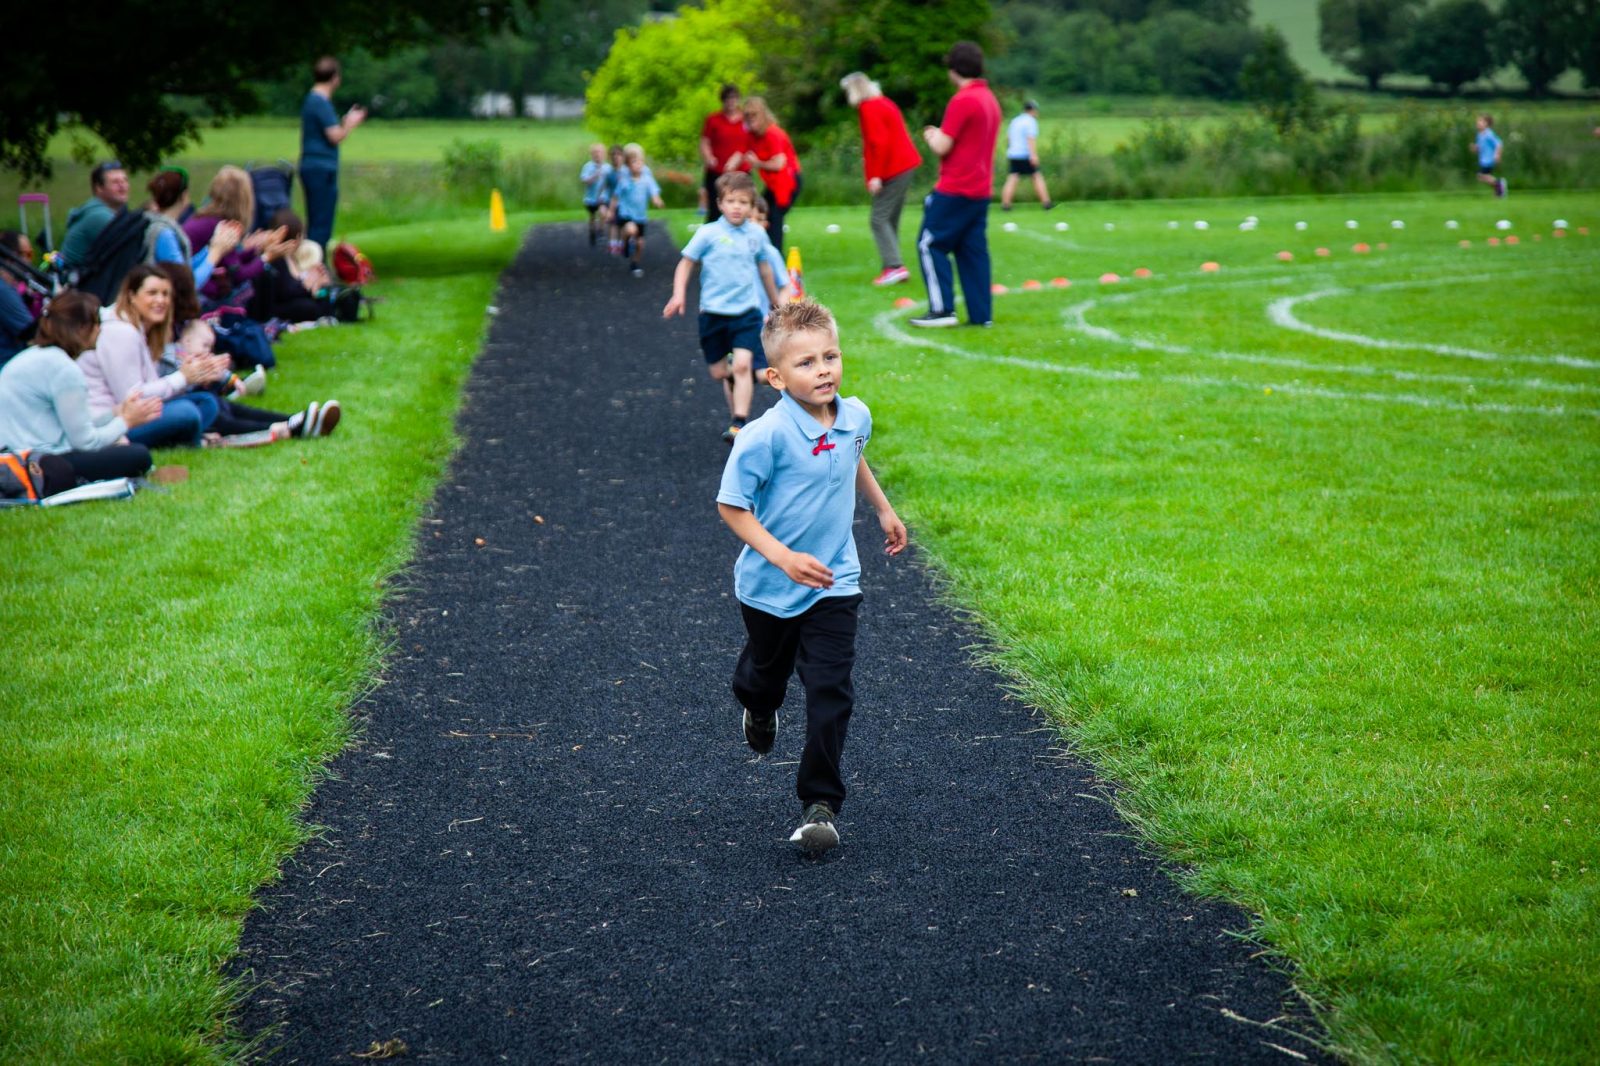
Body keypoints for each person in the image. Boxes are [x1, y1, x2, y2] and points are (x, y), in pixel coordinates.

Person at [714, 298, 907, 854]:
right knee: (765, 677)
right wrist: (783, 558)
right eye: (806, 363)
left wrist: (883, 509)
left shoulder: (855, 415)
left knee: (830, 689)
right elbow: (731, 506)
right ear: (775, 377)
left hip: (834, 578)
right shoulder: (764, 436)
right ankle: (758, 704)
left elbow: (852, 455)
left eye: (830, 356)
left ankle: (820, 805)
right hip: (770, 586)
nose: (823, 370)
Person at [0, 290, 159, 494]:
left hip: (14, 458)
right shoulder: (64, 368)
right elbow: (86, 443)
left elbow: (76, 426)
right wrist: (126, 421)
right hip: (39, 465)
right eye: (97, 323)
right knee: (138, 455)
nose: (101, 330)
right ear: (83, 328)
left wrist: (116, 413)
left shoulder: (34, 356)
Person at [663, 172, 782, 443]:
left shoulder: (756, 234)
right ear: (719, 203)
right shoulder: (708, 233)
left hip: (746, 313)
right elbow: (686, 263)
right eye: (731, 201)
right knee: (719, 372)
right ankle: (736, 379)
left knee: (742, 365)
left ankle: (739, 422)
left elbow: (765, 269)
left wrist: (775, 302)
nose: (737, 207)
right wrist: (678, 294)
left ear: (751, 206)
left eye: (743, 202)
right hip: (713, 314)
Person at [77, 264, 224, 448]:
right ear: (132, 296)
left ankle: (187, 437)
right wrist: (182, 377)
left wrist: (193, 375)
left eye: (165, 294)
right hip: (110, 422)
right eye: (152, 293)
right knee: (187, 412)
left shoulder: (141, 329)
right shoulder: (120, 332)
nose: (160, 300)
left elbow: (152, 388)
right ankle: (191, 439)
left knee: (206, 402)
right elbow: (132, 397)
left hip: (133, 414)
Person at [911, 41, 1002, 329]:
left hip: (956, 186)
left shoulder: (963, 100)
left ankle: (942, 310)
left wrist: (930, 134)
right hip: (981, 189)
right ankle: (981, 315)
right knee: (972, 251)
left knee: (929, 243)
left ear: (953, 68)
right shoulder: (989, 99)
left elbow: (943, 145)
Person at [840, 72, 922, 286]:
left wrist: (875, 175)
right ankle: (891, 267)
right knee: (889, 218)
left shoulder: (868, 107)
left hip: (894, 167)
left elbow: (878, 143)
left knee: (878, 219)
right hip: (903, 165)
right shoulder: (883, 102)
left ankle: (895, 267)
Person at [183, 166, 294, 307]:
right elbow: (238, 275)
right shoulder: (222, 226)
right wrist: (267, 257)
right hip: (198, 294)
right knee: (250, 285)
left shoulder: (207, 219)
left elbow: (230, 261)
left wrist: (257, 249)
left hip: (193, 286)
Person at [300, 56, 368, 250]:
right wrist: (350, 123)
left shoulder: (313, 100)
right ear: (335, 78)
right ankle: (317, 262)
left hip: (314, 166)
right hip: (321, 168)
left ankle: (315, 260)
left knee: (317, 220)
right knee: (321, 223)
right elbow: (335, 136)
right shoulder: (320, 101)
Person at [143, 168, 242, 291]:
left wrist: (212, 247)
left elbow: (185, 267)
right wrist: (215, 252)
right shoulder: (163, 233)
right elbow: (187, 284)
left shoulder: (154, 224)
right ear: (184, 196)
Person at [739, 97, 802, 254]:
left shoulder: (773, 134)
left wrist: (757, 163)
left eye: (754, 115)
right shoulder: (753, 135)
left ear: (762, 115)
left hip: (787, 183)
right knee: (759, 211)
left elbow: (779, 163)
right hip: (773, 184)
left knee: (774, 218)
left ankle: (774, 257)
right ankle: (760, 251)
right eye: (747, 116)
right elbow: (743, 152)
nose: (750, 119)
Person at [59, 161, 131, 269]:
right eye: (115, 182)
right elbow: (130, 250)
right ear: (99, 188)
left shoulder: (102, 210)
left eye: (125, 180)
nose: (123, 186)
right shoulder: (98, 216)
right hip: (75, 278)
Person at [701, 84, 750, 226]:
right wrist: (709, 157)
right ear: (723, 101)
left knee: (742, 206)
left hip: (741, 171)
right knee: (716, 209)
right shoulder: (713, 120)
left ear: (738, 99)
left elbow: (751, 143)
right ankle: (712, 237)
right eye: (728, 98)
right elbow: (705, 141)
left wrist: (740, 156)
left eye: (734, 98)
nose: (731, 102)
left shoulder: (745, 120)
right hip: (718, 171)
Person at [612, 144, 664, 278]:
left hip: (640, 216)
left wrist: (657, 200)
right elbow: (616, 196)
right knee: (631, 229)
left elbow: (654, 192)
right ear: (628, 165)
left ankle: (635, 263)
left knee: (640, 243)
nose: (638, 164)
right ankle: (624, 243)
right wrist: (611, 211)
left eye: (640, 161)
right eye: (634, 162)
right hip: (626, 214)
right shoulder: (624, 180)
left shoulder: (647, 179)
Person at [1000, 100, 1054, 211]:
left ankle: (1006, 204)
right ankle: (1046, 203)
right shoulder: (1030, 122)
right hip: (1025, 154)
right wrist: (1033, 155)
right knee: (1037, 176)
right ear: (1033, 110)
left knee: (1012, 178)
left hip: (1013, 153)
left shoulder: (1015, 121)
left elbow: (1008, 138)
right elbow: (1030, 139)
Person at [0, 231, 39, 364]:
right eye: (27, 254)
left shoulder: (9, 288)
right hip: (7, 363)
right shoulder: (3, 290)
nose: (30, 260)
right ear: (10, 258)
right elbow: (32, 333)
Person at [580, 144, 612, 246]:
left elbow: (611, 181)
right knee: (592, 217)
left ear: (604, 155)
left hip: (603, 197)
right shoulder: (587, 166)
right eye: (595, 153)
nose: (598, 155)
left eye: (600, 153)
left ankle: (601, 231)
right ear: (592, 155)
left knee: (603, 212)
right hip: (591, 197)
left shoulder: (608, 167)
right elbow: (584, 180)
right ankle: (592, 232)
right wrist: (594, 176)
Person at [1473, 114, 1505, 198]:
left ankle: (1499, 185)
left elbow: (1499, 144)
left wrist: (1497, 155)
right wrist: (1475, 148)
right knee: (1482, 177)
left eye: (1480, 121)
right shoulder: (1479, 135)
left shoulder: (1489, 134)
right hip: (1483, 159)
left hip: (1489, 159)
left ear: (1486, 123)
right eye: (1477, 121)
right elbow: (1480, 147)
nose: (1478, 123)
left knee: (1481, 176)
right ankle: (1498, 189)